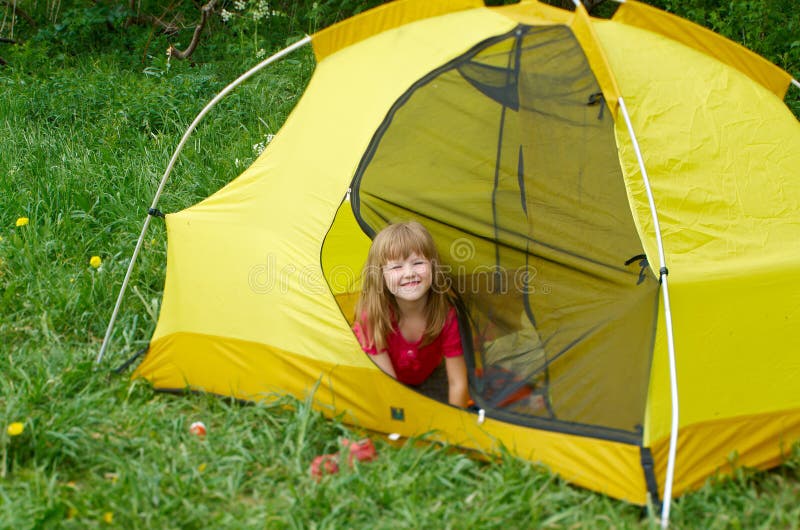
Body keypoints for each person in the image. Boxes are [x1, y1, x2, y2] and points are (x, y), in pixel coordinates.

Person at [352, 221, 469, 408]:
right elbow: (389, 388)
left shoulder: (446, 316)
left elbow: (458, 383)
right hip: (383, 382)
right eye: (396, 267)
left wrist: (456, 423)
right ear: (381, 275)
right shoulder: (373, 316)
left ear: (433, 266)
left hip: (428, 377)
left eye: (418, 263)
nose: (409, 273)